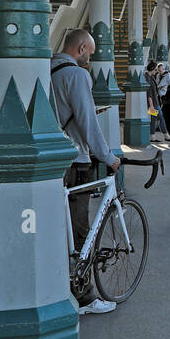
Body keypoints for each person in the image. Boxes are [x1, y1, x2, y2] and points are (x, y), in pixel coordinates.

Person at [51, 29, 121, 314]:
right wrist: (107, 156)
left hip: (51, 160)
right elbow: (87, 122)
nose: (89, 60)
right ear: (81, 48)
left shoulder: (45, 69)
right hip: (74, 158)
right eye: (89, 54)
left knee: (56, 227)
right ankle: (85, 297)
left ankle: (58, 286)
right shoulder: (77, 75)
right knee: (80, 228)